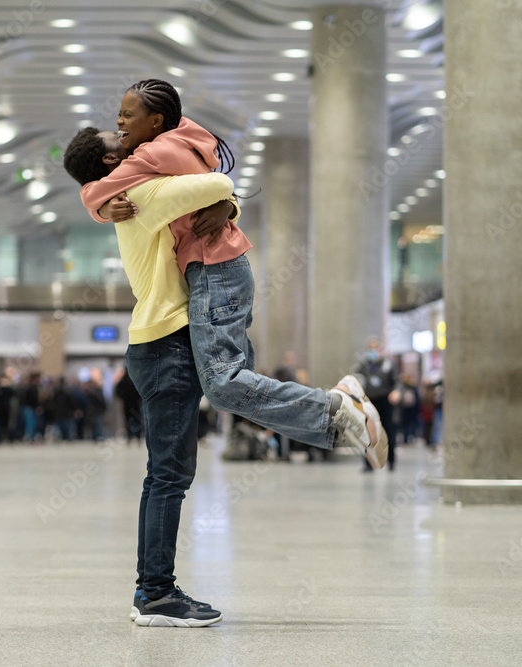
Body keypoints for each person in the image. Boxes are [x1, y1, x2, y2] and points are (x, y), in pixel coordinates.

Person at [64, 110, 386, 628]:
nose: (128, 136)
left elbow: (206, 195)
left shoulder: (125, 197)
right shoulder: (140, 195)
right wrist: (224, 197)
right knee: (171, 473)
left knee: (165, 474)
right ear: (110, 161)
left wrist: (222, 202)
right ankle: (155, 594)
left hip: (159, 343)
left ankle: (152, 591)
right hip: (168, 343)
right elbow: (213, 181)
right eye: (117, 136)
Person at [353, 337, 399, 471]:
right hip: (369, 401)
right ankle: (368, 463)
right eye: (370, 349)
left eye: (375, 348)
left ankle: (391, 461)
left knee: (388, 431)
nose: (373, 351)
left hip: (385, 401)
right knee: (367, 432)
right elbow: (356, 379)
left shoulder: (389, 365)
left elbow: (397, 382)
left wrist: (396, 392)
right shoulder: (364, 365)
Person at [115, 369, 143, 445]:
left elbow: (117, 391)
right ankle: (138, 437)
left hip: (127, 405)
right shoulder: (135, 380)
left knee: (128, 421)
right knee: (137, 420)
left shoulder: (123, 381)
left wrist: (123, 397)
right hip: (135, 404)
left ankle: (129, 437)